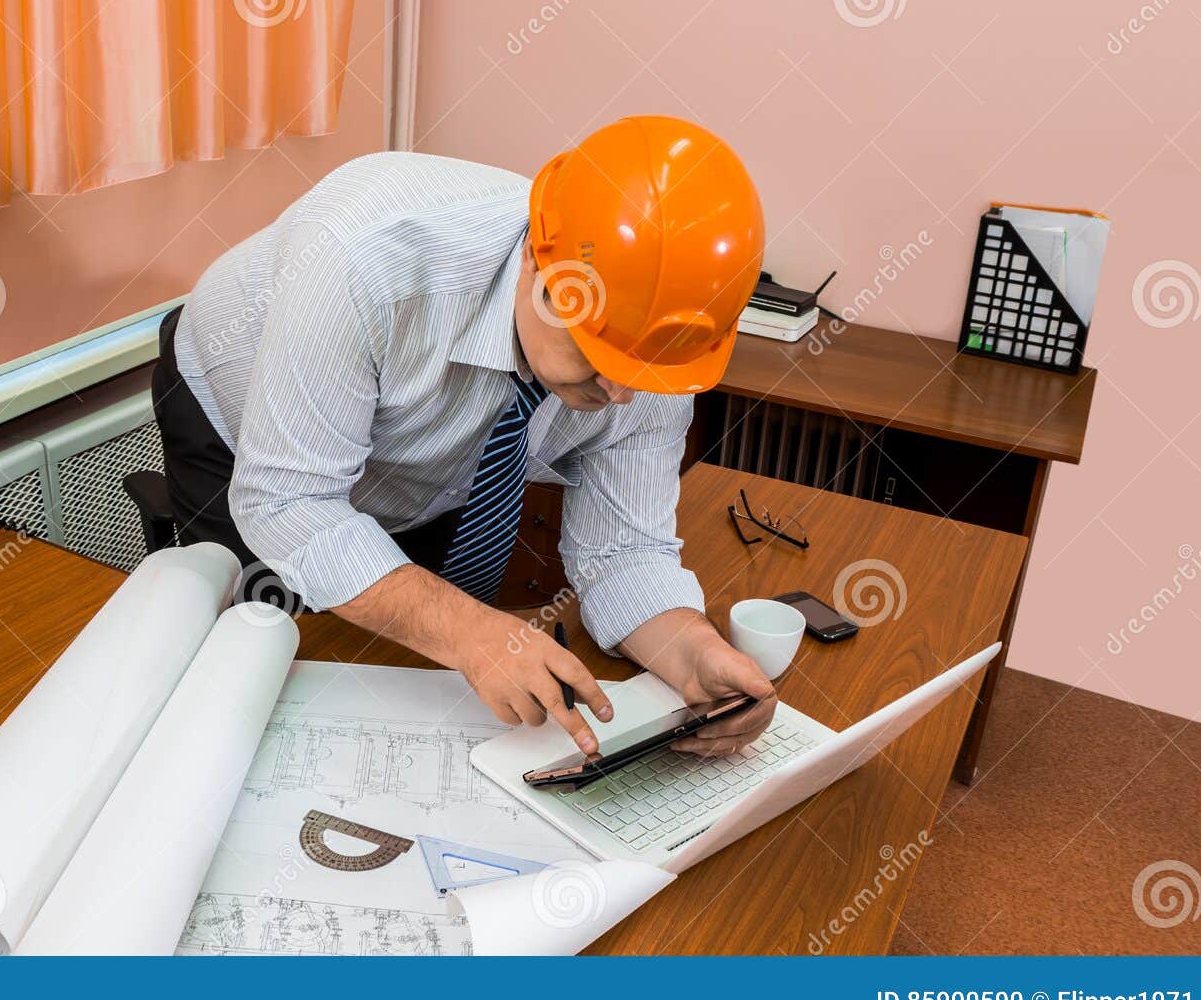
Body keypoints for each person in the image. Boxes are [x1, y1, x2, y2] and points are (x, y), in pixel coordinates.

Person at [154, 115, 777, 760]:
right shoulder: (363, 256)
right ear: (541, 264)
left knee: (414, 658)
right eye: (599, 357)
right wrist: (469, 632)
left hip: (422, 455)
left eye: (644, 373)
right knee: (262, 667)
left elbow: (625, 550)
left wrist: (693, 651)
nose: (620, 396)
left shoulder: (653, 354)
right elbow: (289, 503)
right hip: (240, 409)